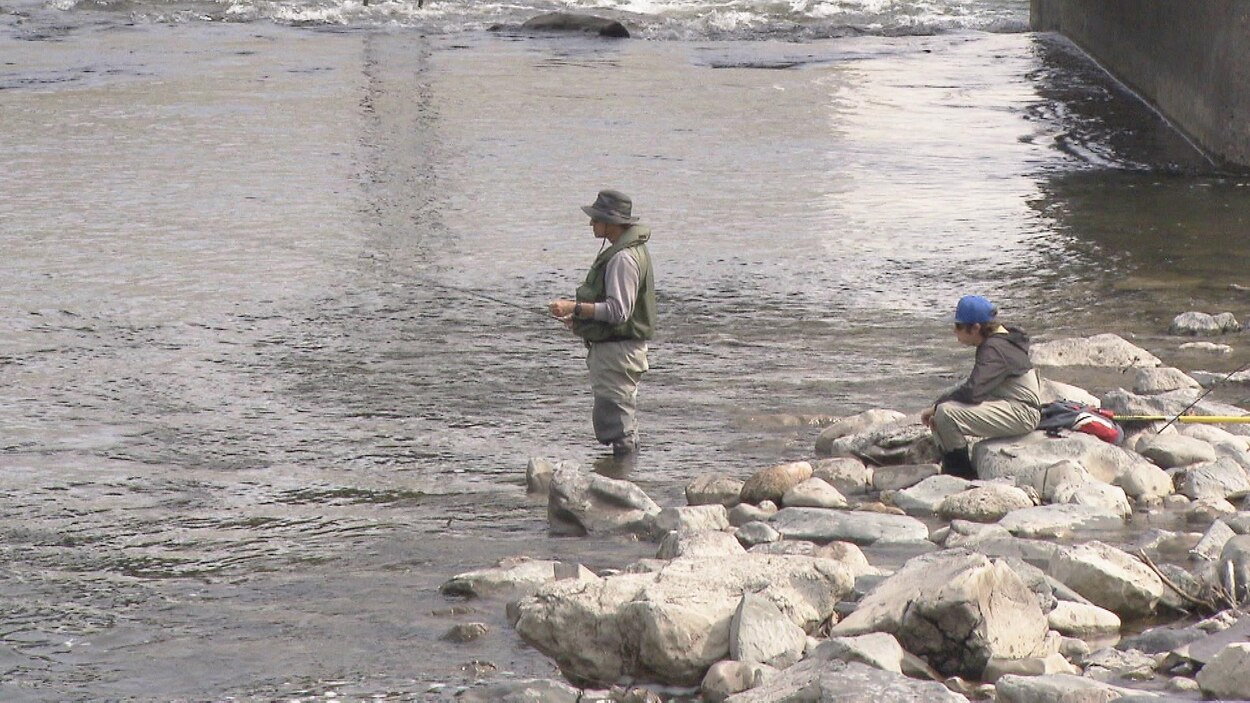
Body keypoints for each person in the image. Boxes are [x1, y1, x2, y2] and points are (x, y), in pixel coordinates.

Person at [548, 190, 656, 457]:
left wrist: (574, 307)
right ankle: (625, 478)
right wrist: (579, 320)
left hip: (618, 354)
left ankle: (623, 486)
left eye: (596, 219)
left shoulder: (623, 258)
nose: (591, 224)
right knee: (621, 421)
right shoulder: (629, 252)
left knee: (620, 426)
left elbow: (619, 312)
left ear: (612, 221)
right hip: (620, 351)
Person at [921, 295, 1042, 478]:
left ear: (976, 327)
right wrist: (938, 404)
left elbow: (973, 392)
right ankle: (951, 468)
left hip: (1023, 412)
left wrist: (937, 407)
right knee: (940, 414)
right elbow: (973, 384)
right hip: (1014, 405)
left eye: (959, 326)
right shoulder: (1001, 340)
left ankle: (961, 475)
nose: (954, 330)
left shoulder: (994, 348)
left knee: (945, 414)